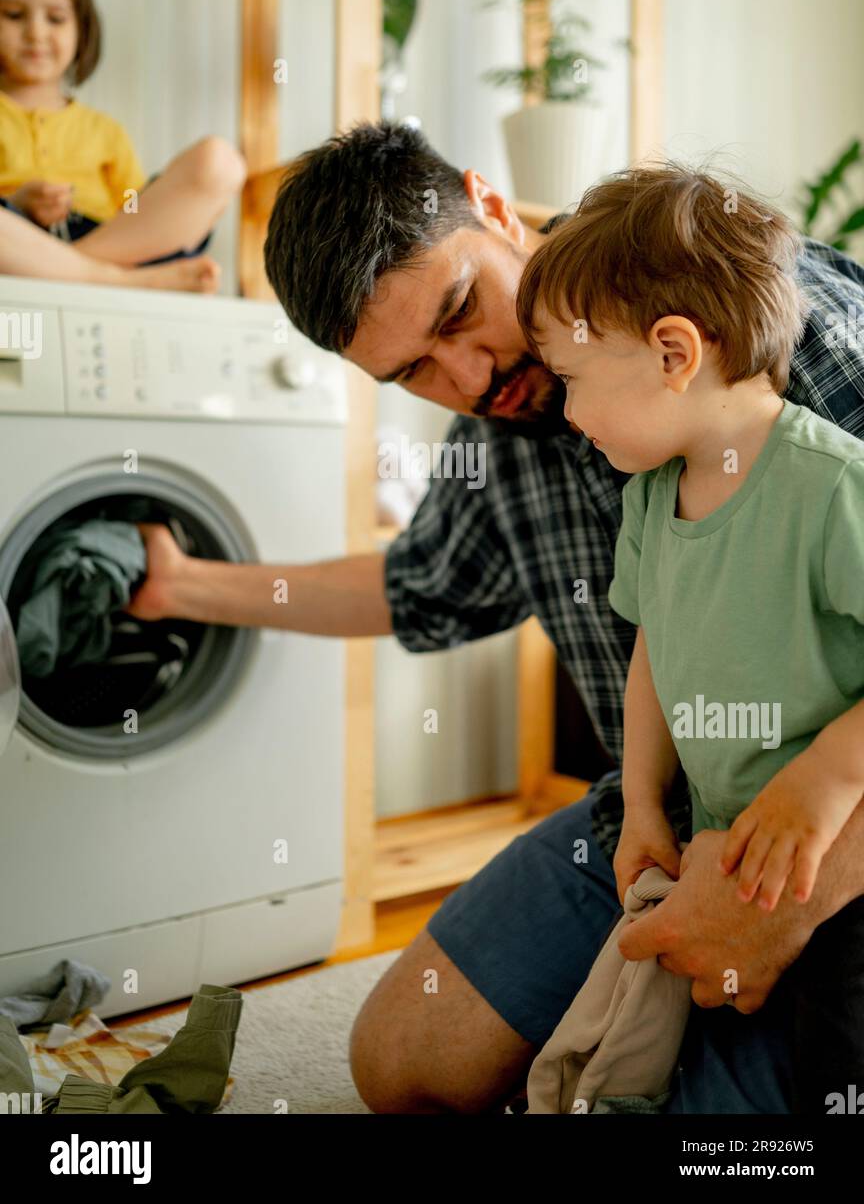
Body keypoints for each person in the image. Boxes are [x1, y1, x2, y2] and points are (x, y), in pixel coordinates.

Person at [129, 121, 864, 1114]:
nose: (470, 380)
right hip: (656, 819)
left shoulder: (769, 319)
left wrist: (795, 896)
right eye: (415, 374)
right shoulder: (509, 434)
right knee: (401, 1062)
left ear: (491, 200)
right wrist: (185, 585)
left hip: (827, 831)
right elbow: (412, 584)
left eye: (461, 310)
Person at [516, 164, 864, 1114]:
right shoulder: (648, 499)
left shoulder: (830, 485)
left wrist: (828, 779)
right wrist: (638, 804)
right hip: (723, 851)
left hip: (837, 879)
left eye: (574, 379)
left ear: (674, 351)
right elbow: (652, 654)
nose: (568, 411)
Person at [0, 0, 246, 291]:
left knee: (221, 162)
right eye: (14, 14)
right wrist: (16, 202)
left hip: (109, 241)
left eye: (55, 18)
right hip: (14, 237)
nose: (36, 32)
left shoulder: (104, 131)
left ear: (82, 29)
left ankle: (80, 271)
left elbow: (137, 212)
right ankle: (116, 281)